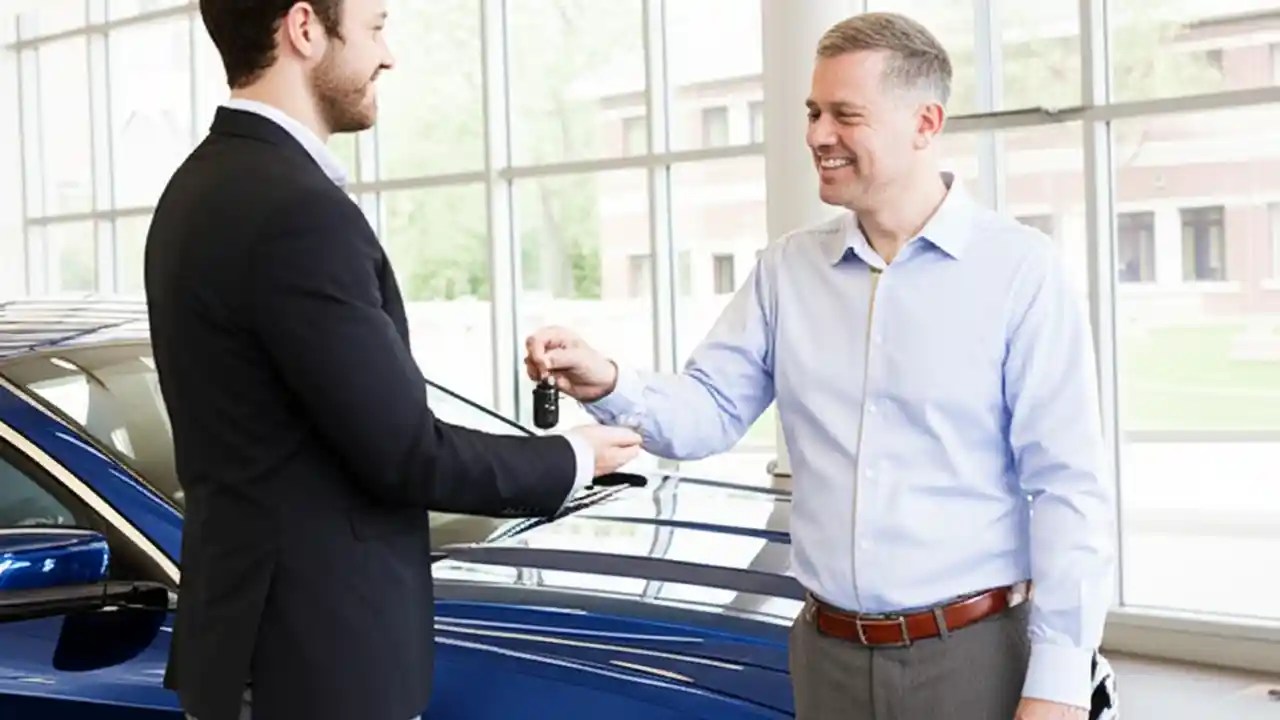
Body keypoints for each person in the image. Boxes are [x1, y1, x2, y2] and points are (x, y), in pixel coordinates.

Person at [525, 12, 1115, 720]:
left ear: (925, 124)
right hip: (824, 655)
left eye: (845, 114)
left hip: (973, 657)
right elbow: (709, 412)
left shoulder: (1019, 271)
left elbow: (1068, 488)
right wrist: (609, 382)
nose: (816, 135)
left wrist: (1059, 684)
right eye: (813, 112)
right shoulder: (788, 270)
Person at [144, 1, 642, 719]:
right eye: (375, 27)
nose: (388, 54)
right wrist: (571, 457)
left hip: (254, 649)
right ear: (305, 28)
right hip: (317, 667)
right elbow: (406, 452)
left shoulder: (198, 189)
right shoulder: (294, 210)